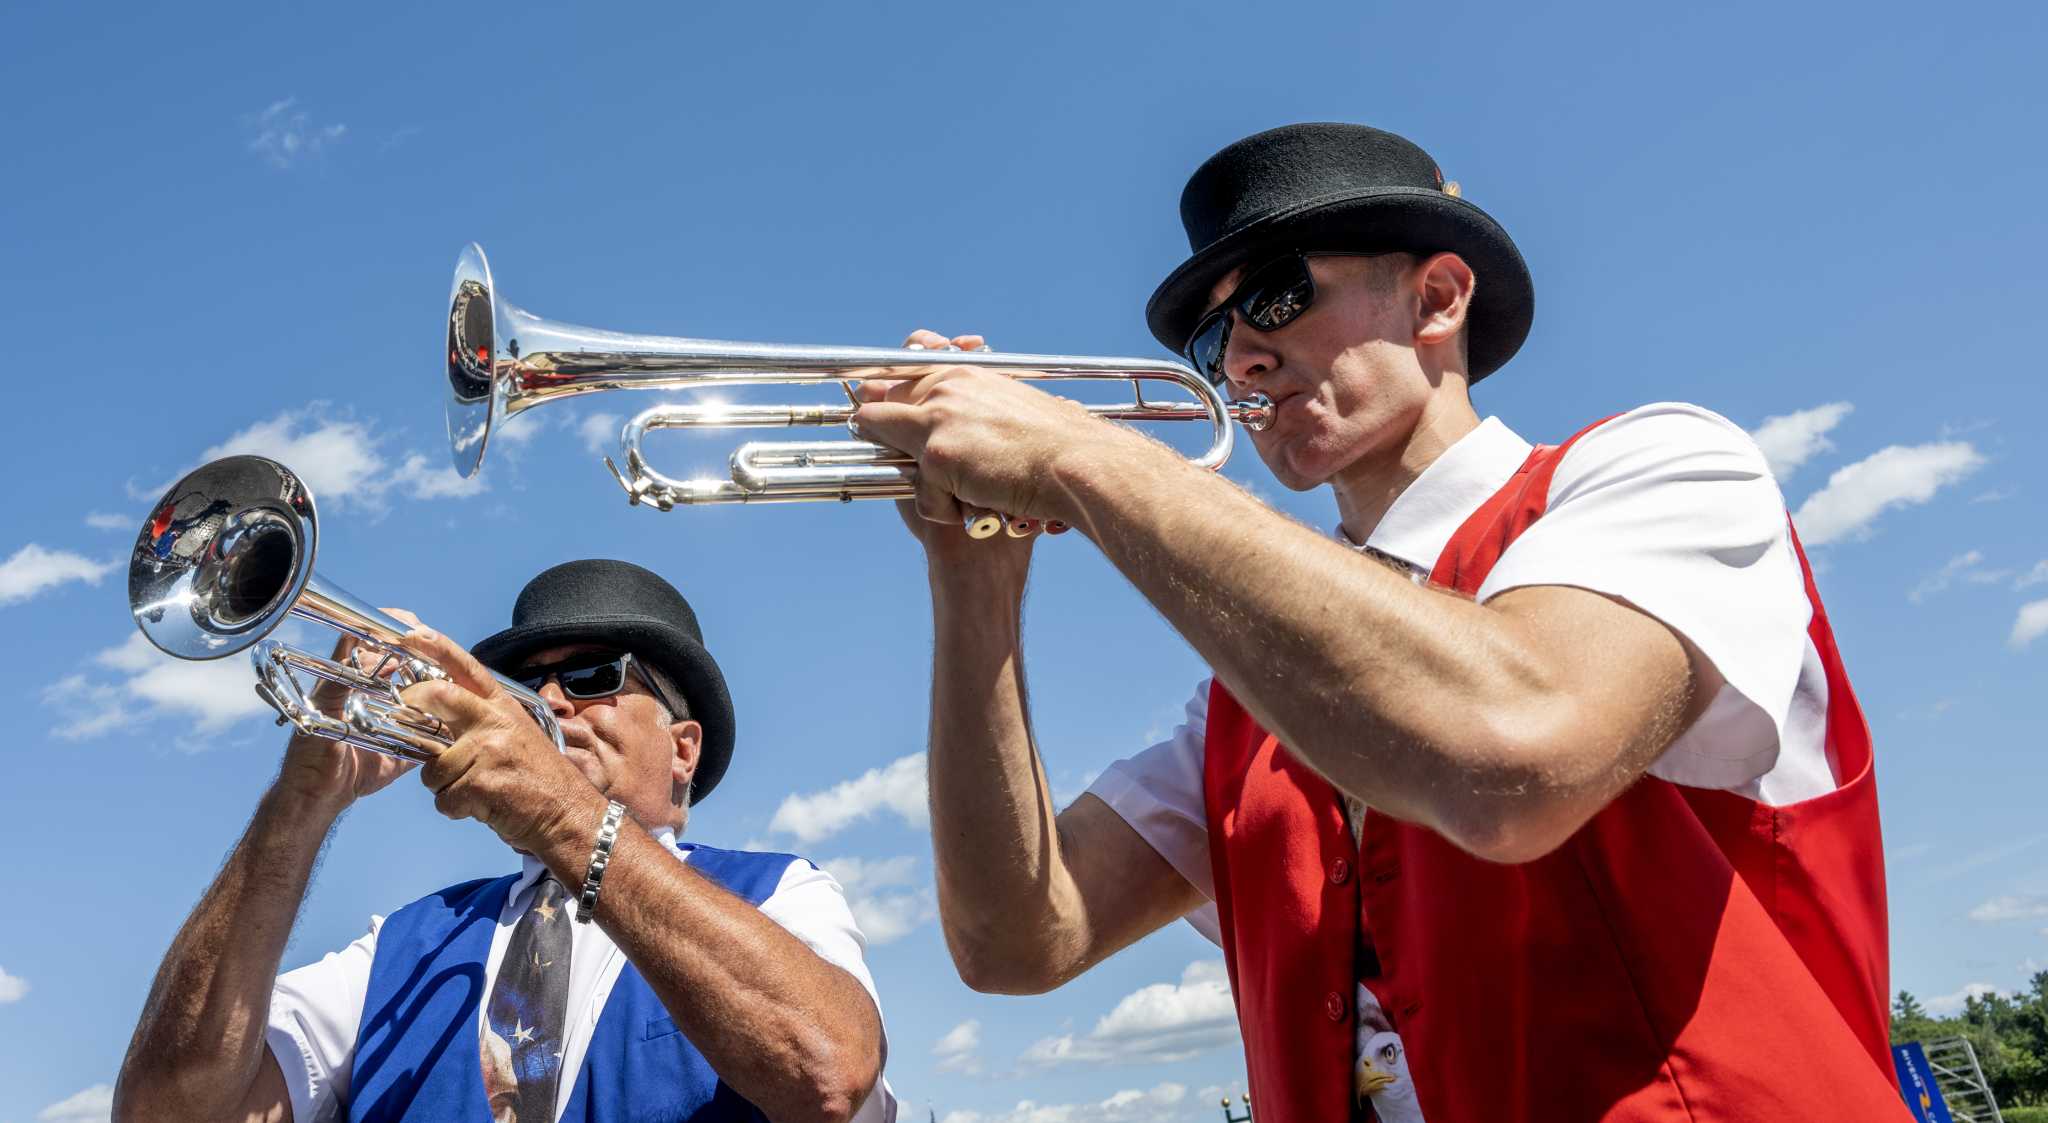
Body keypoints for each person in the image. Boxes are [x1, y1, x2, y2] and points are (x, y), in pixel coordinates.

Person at [851, 123, 1907, 1120]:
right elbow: (1015, 940)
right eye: (1218, 333)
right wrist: (972, 582)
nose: (1238, 360)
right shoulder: (1241, 706)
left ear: (1437, 297)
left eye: (1274, 295)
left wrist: (1081, 458)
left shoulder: (1657, 466)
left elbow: (1512, 755)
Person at [112, 559, 894, 1123]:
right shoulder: (402, 949)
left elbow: (829, 1073)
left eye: (592, 676)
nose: (547, 699)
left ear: (682, 748)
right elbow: (166, 1111)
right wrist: (300, 802)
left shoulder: (781, 893)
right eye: (525, 677)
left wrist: (562, 815)